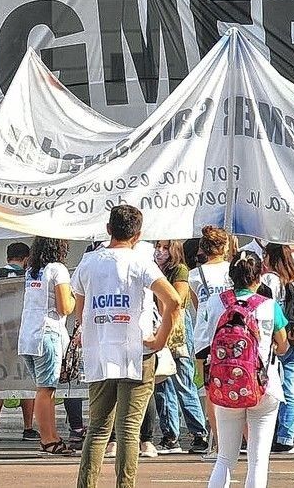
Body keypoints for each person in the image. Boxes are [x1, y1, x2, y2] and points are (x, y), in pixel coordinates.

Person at [71, 205, 179, 488]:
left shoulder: (88, 262)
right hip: (137, 350)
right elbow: (174, 301)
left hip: (100, 349)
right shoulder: (141, 262)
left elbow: (78, 309)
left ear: (108, 229)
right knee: (129, 429)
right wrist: (160, 338)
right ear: (138, 234)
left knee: (97, 429)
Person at [197, 251, 288, 488]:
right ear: (259, 277)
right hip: (263, 385)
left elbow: (207, 339)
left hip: (225, 385)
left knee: (225, 458)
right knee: (258, 460)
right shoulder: (269, 306)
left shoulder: (216, 302)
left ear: (231, 275)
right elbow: (283, 344)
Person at [17, 237, 75, 455]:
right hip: (48, 333)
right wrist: (75, 297)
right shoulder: (57, 269)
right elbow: (65, 307)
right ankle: (48, 439)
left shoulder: (31, 270)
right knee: (46, 389)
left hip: (28, 335)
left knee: (44, 389)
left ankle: (50, 436)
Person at [151, 240, 208, 455]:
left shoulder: (180, 270)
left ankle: (198, 433)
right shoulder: (153, 269)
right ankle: (170, 436)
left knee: (184, 384)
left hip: (178, 332)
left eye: (165, 247)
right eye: (158, 246)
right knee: (162, 385)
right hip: (158, 328)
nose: (160, 251)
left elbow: (179, 299)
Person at [0, 242, 37, 443]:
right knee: (26, 381)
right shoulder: (29, 276)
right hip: (22, 333)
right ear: (26, 258)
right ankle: (28, 428)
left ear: (8, 257)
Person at [187, 226, 232, 457]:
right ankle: (237, 440)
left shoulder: (194, 275)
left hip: (204, 336)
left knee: (211, 391)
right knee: (233, 384)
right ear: (225, 247)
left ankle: (218, 443)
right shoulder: (232, 271)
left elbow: (197, 306)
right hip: (232, 334)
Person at [260, 243, 294, 454]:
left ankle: (273, 435)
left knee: (271, 387)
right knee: (290, 386)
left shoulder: (269, 279)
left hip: (277, 337)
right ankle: (286, 436)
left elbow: (265, 308)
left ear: (270, 258)